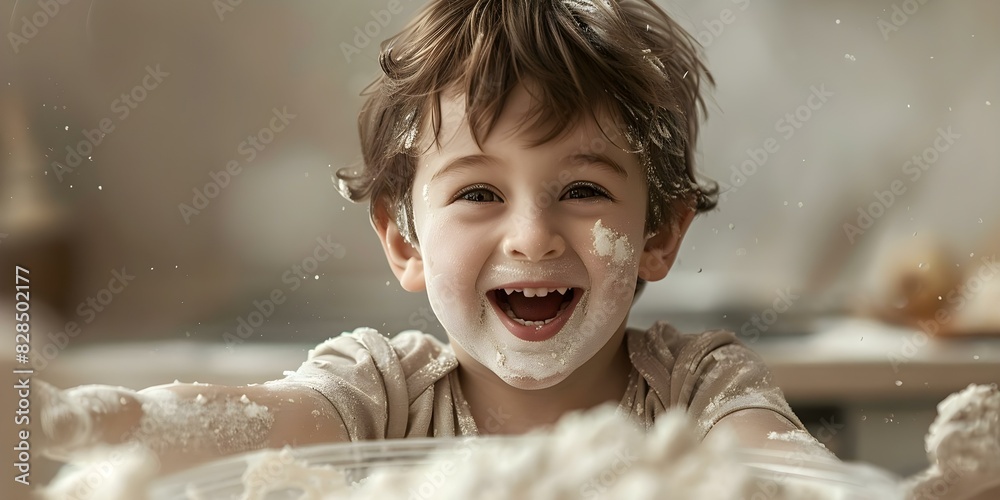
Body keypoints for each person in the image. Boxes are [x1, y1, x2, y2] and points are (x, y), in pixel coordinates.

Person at [38, 0, 826, 477]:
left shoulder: (699, 389)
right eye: (479, 192)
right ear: (404, 240)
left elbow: (787, 476)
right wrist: (73, 422)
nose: (531, 236)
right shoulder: (380, 392)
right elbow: (249, 422)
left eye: (582, 190)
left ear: (659, 232)